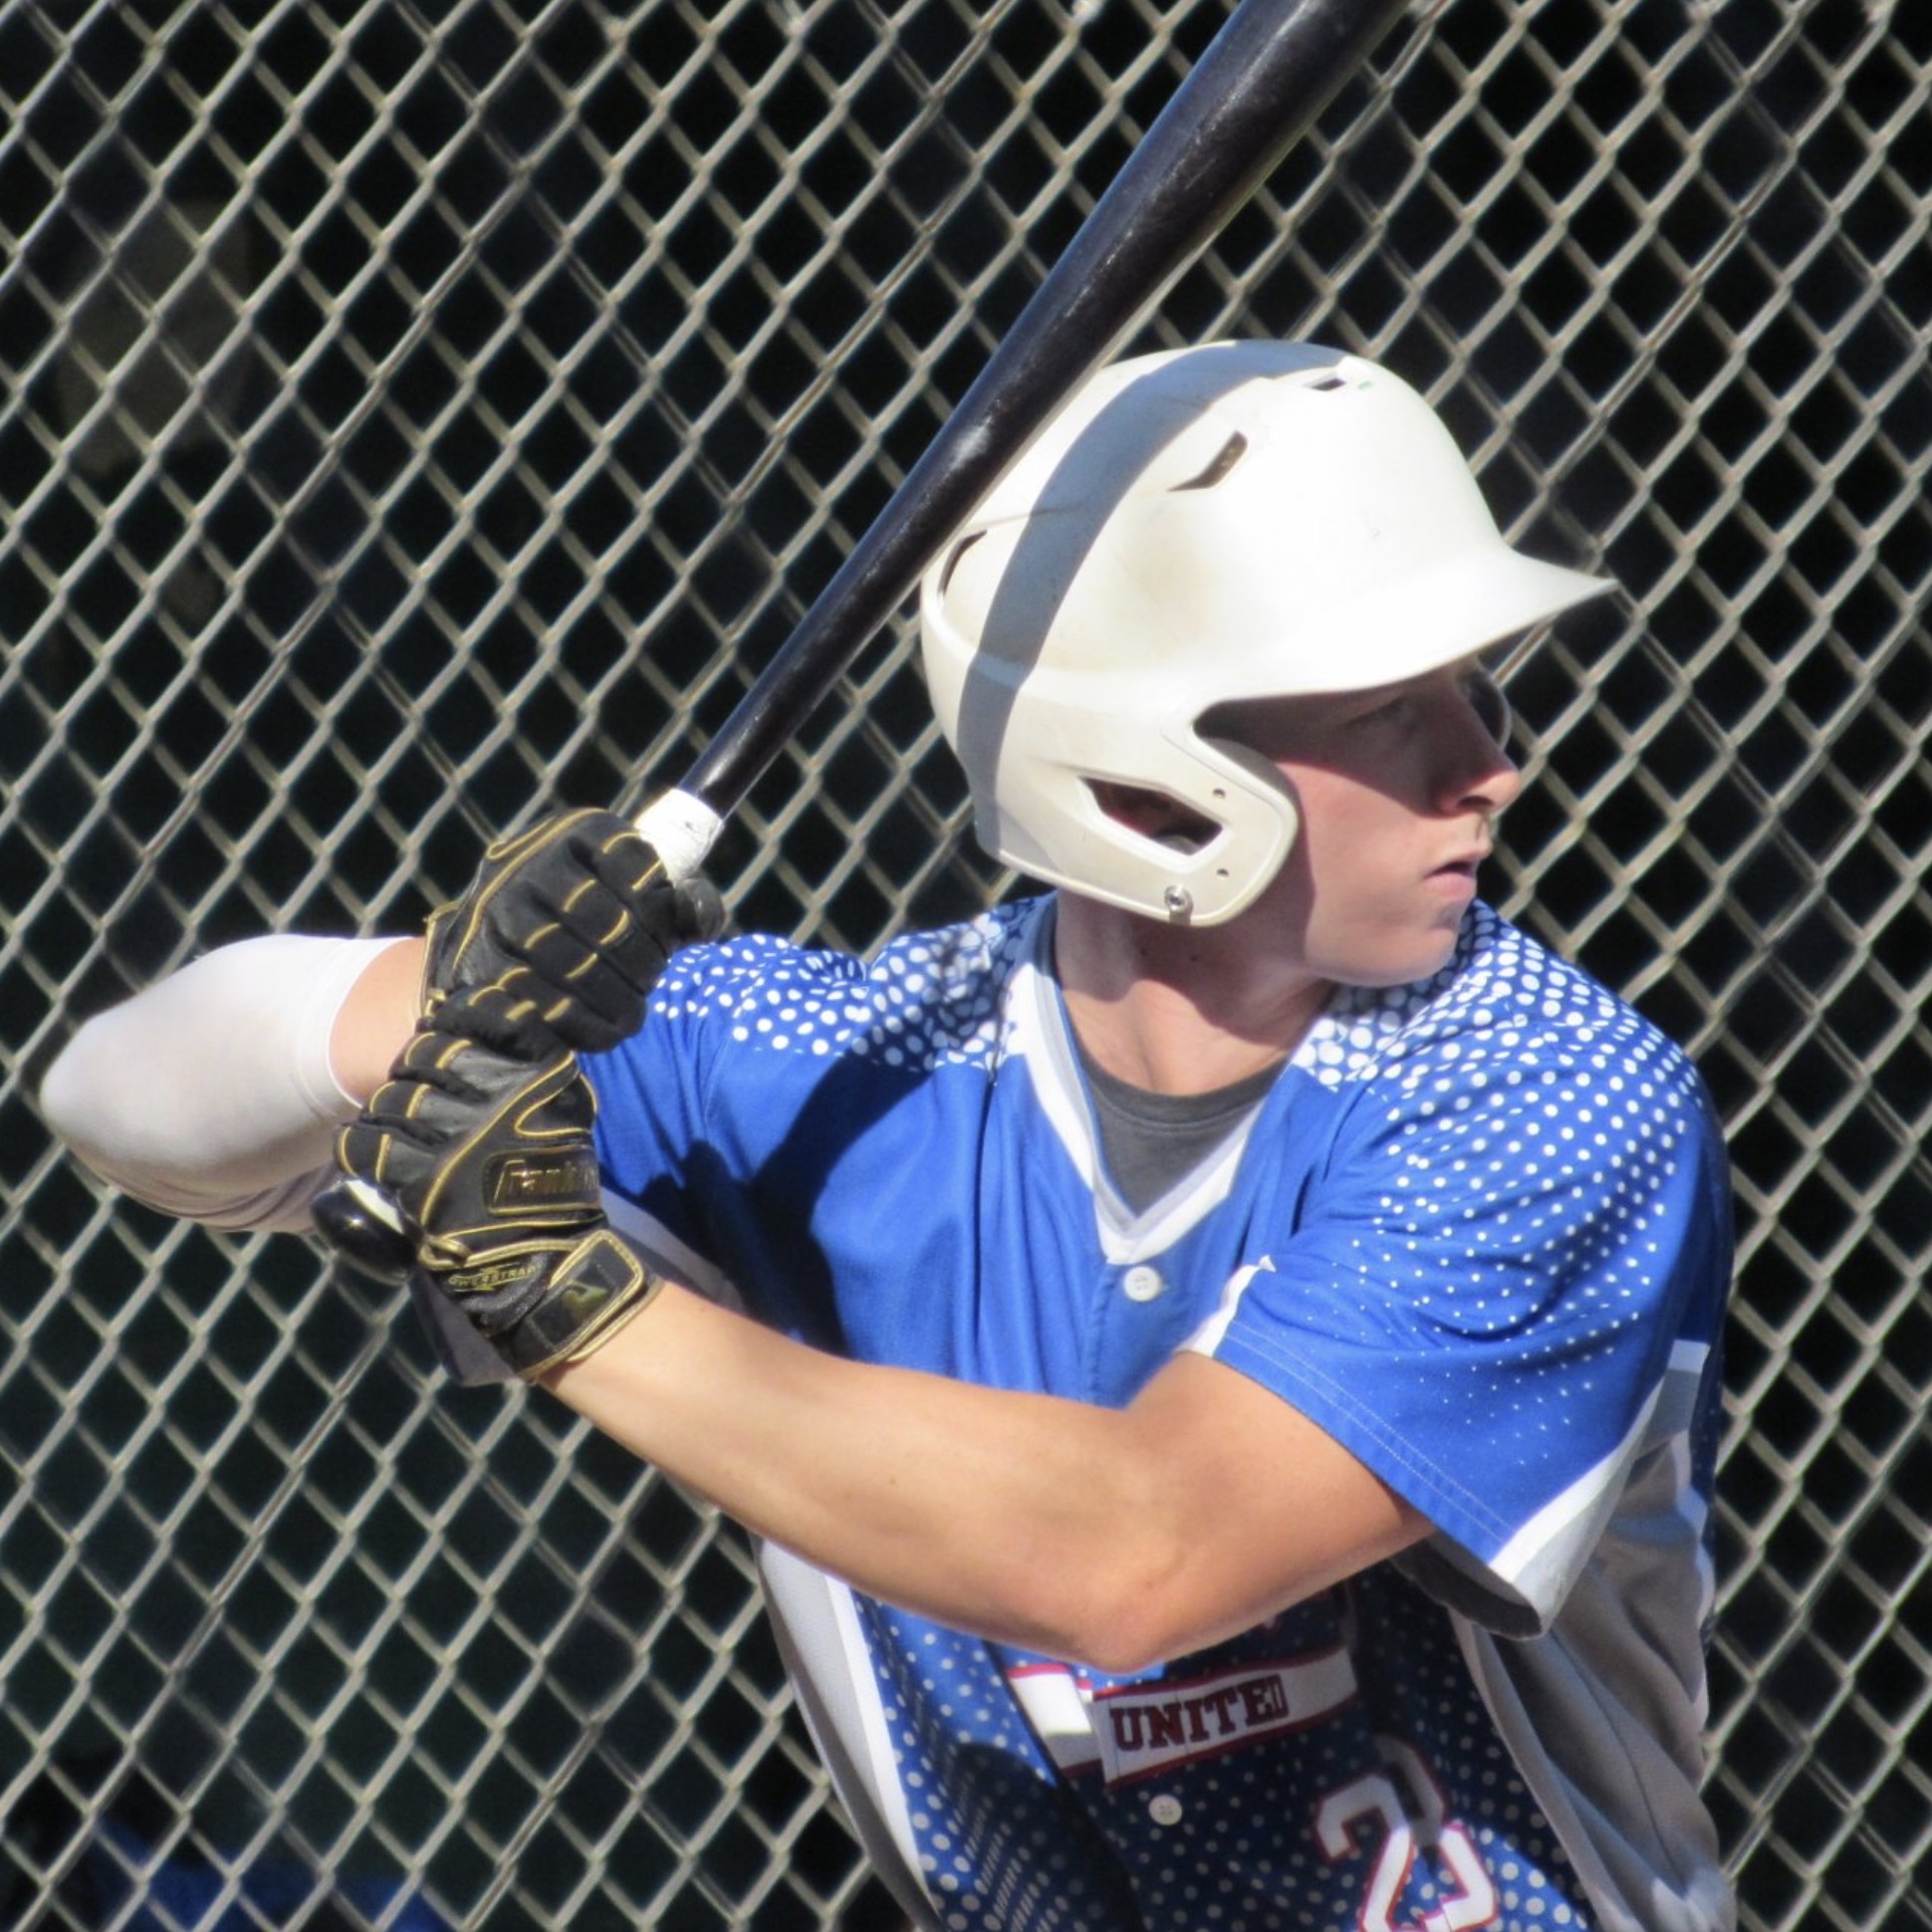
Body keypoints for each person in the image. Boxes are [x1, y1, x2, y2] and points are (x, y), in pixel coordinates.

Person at [42, 340, 1737, 1932]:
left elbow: (1139, 1558)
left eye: (1470, 688)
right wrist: (436, 997)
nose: (1490, 765)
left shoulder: (1548, 1091)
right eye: (1389, 711)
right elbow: (114, 1099)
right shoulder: (840, 1061)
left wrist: (577, 1303)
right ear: (1149, 784)